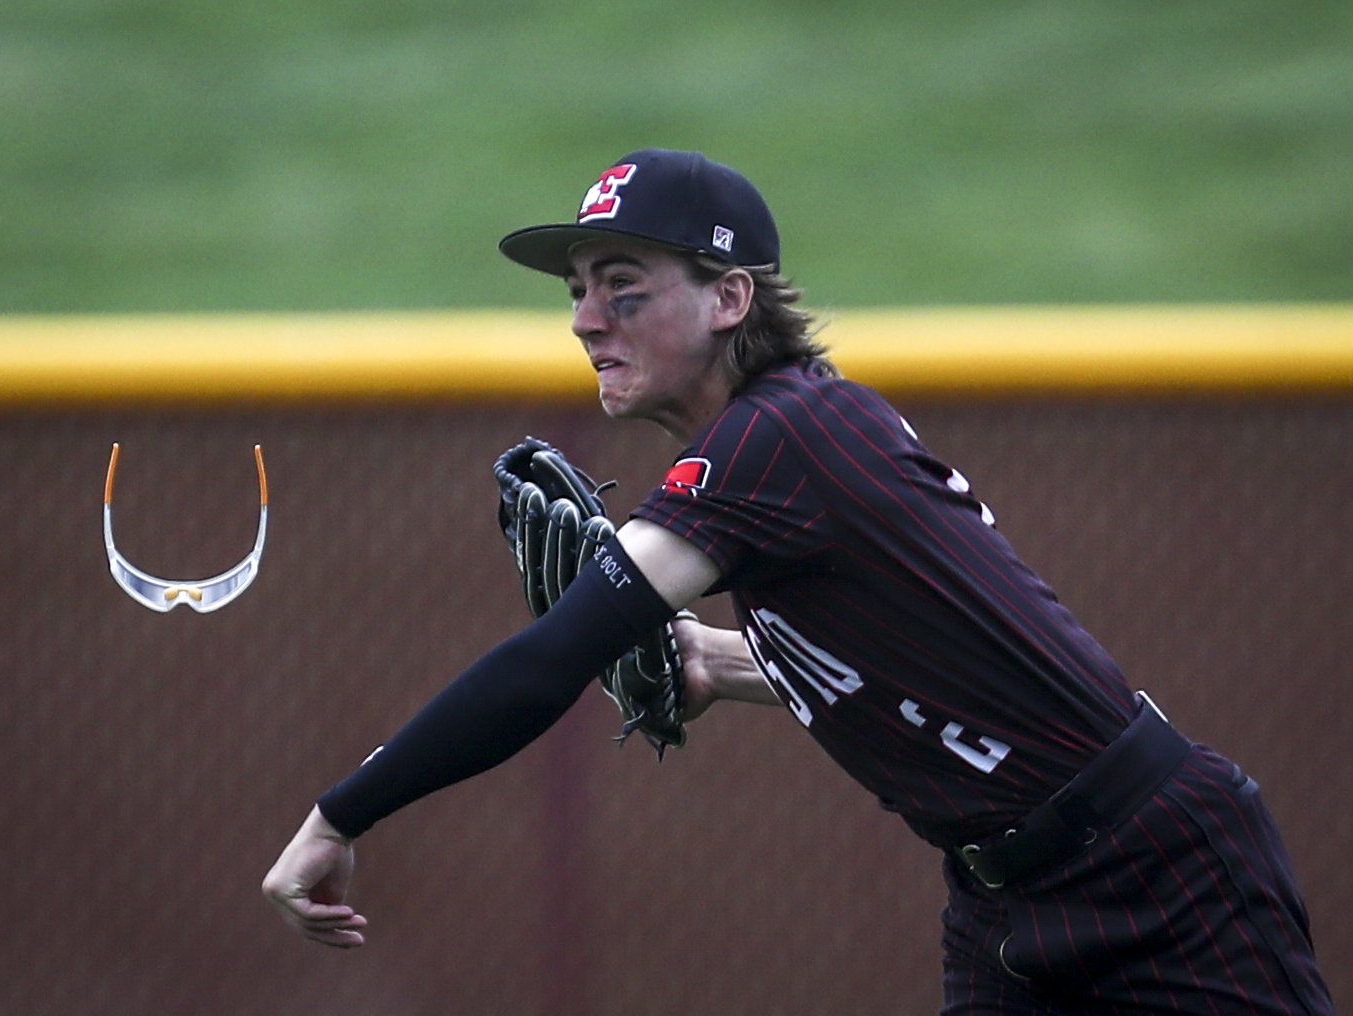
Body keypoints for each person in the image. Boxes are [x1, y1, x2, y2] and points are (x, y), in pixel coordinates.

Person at [263, 149, 1333, 1014]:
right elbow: (918, 654)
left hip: (1153, 874)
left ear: (730, 296)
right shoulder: (794, 435)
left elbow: (547, 662)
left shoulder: (776, 439)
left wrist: (338, 813)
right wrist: (718, 661)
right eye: (580, 292)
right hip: (1004, 901)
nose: (586, 319)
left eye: (623, 290)